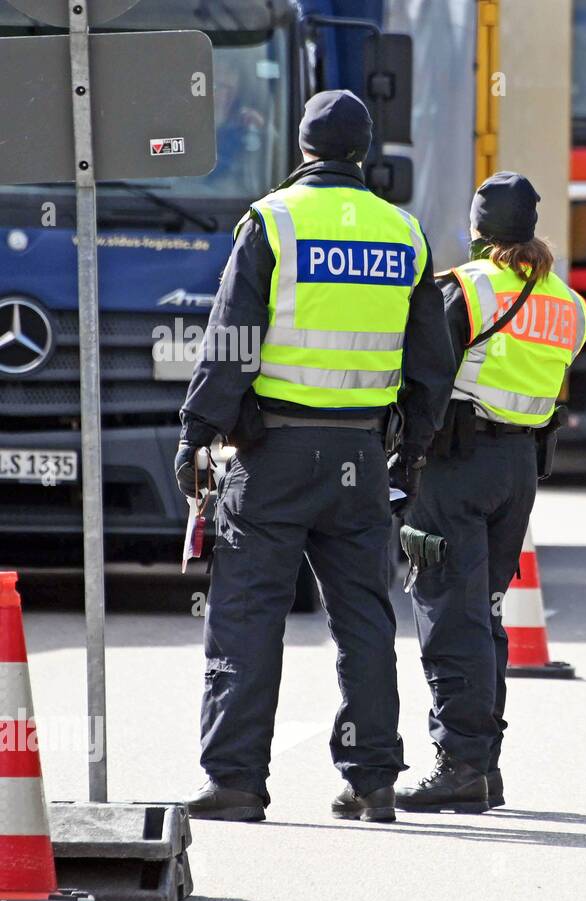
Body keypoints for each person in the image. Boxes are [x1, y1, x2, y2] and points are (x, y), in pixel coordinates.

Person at [176, 90, 457, 823]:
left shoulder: (272, 220)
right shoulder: (405, 233)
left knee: (245, 613)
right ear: (364, 151)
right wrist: (413, 452)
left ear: (302, 148)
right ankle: (372, 780)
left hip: (272, 453)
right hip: (361, 455)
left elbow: (232, 339)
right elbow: (433, 363)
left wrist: (197, 431)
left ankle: (236, 781)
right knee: (364, 616)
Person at [395, 172, 586, 814]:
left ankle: (459, 765)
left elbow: (424, 381)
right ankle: (484, 763)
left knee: (450, 614)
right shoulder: (569, 303)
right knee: (486, 613)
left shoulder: (466, 290)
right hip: (519, 470)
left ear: (477, 227)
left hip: (455, 465)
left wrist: (401, 458)